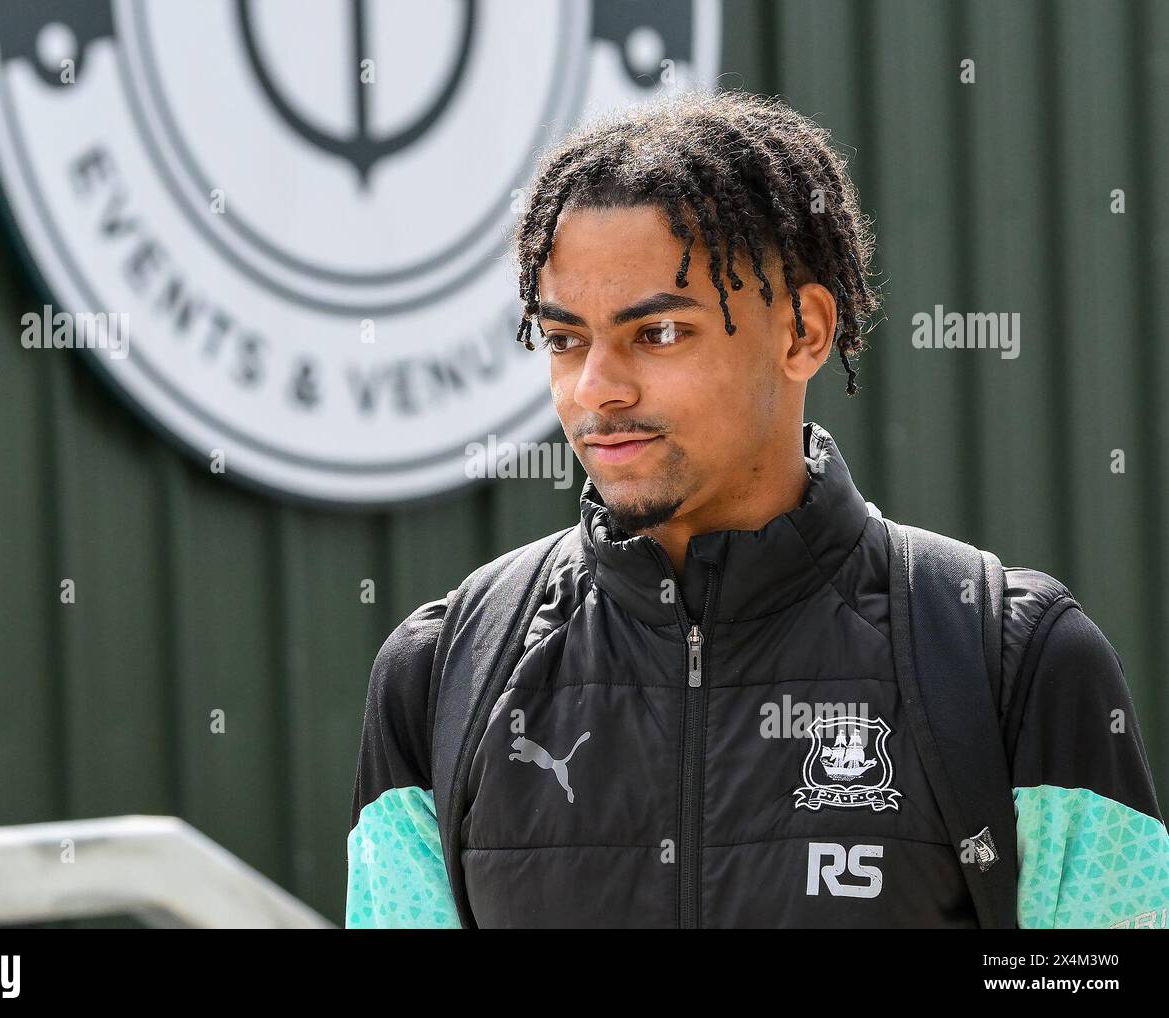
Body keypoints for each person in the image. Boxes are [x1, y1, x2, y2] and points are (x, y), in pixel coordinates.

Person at [346, 90, 1169, 928]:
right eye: (564, 339)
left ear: (803, 332)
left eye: (658, 332)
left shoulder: (1014, 663)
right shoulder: (441, 676)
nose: (597, 388)